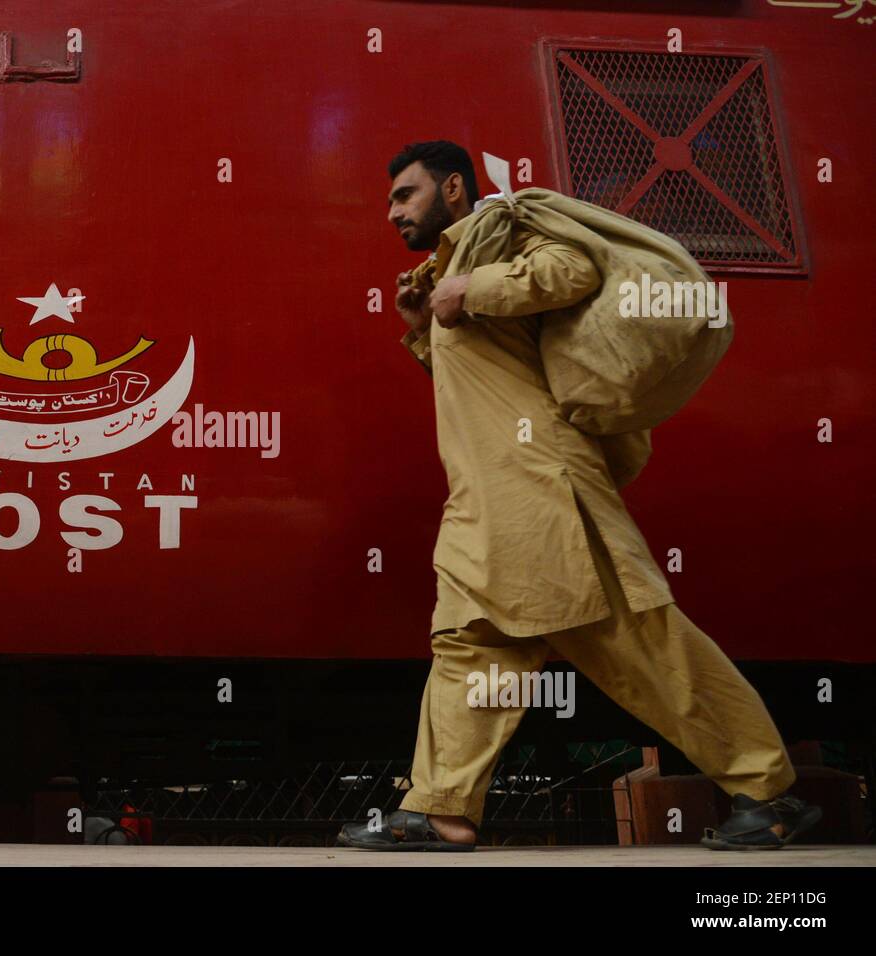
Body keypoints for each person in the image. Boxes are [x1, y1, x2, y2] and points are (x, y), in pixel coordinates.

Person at [338, 141, 821, 852]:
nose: (392, 212)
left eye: (404, 195)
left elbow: (576, 269)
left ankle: (769, 792)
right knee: (471, 647)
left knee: (642, 643)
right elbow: (494, 375)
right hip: (488, 499)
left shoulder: (498, 228)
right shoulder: (450, 266)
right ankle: (439, 807)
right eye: (388, 200)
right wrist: (427, 327)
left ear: (450, 190)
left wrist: (470, 291)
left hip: (542, 488)